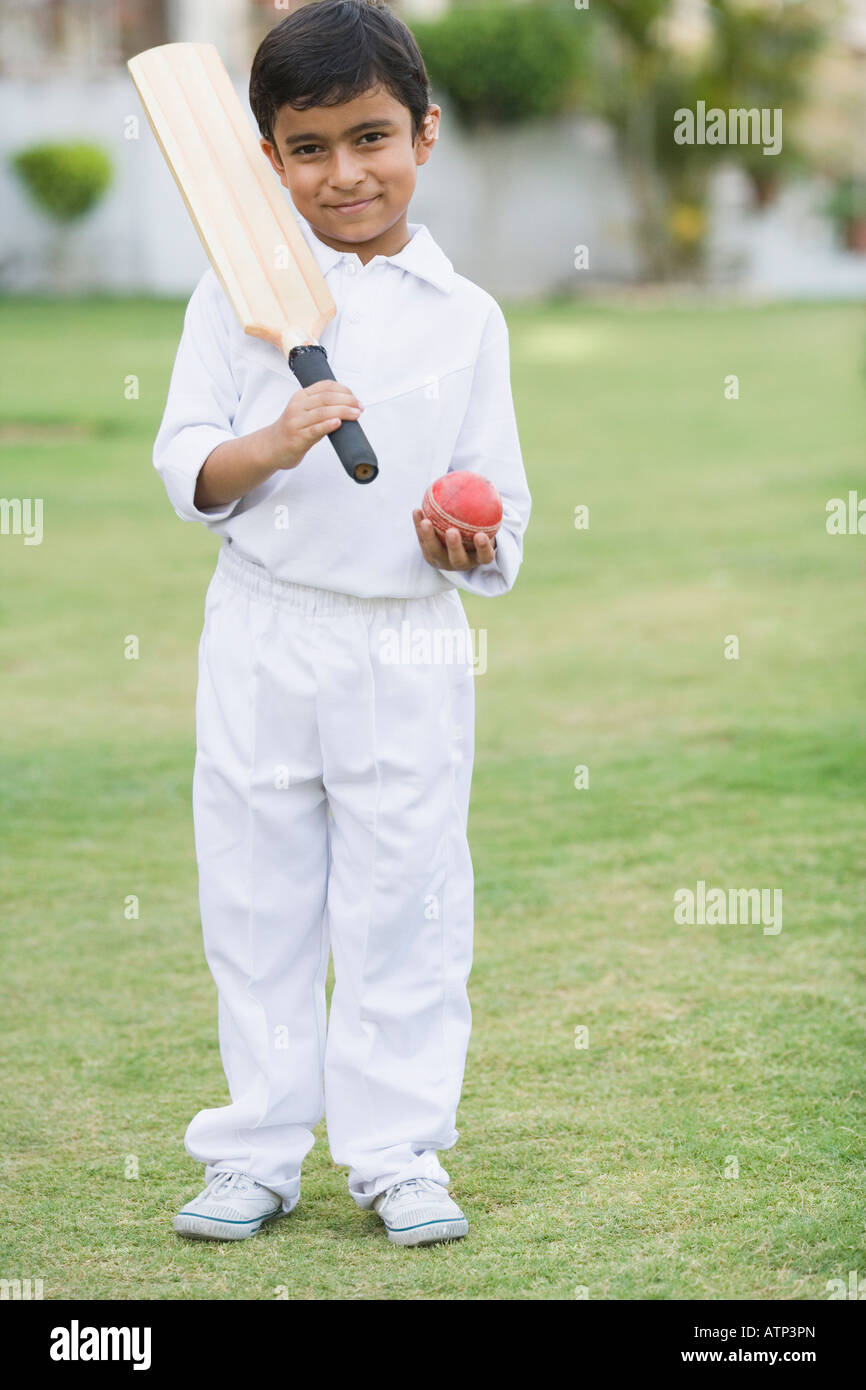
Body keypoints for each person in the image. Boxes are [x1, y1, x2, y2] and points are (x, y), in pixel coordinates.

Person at [153, 0, 531, 1247]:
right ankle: (255, 1148)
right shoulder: (234, 293)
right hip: (264, 631)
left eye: (370, 137)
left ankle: (396, 1150)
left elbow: (498, 506)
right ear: (264, 162)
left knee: (405, 898)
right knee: (255, 898)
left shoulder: (463, 316)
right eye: (307, 148)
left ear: (423, 132)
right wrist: (272, 439)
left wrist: (462, 542)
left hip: (406, 637)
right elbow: (190, 465)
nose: (344, 172)